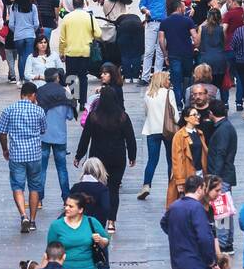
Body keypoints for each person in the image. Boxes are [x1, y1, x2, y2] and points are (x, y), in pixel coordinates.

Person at [74, 86, 137, 229]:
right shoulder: (123, 116)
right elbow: (130, 138)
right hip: (117, 157)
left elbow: (85, 138)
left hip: (98, 158)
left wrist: (79, 155)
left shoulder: (94, 116)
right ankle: (112, 222)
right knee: (113, 189)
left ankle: (97, 219)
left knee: (97, 188)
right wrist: (132, 155)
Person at [0, 81, 47, 234]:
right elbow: (43, 130)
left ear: (21, 94)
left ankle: (23, 216)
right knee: (34, 187)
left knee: (17, 186)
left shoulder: (9, 110)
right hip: (34, 154)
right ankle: (32, 220)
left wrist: (5, 150)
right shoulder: (39, 111)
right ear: (33, 95)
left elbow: (2, 133)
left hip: (16, 155)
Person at [47, 192, 110, 269]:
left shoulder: (91, 222)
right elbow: (50, 251)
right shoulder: (56, 226)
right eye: (66, 205)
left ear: (80, 210)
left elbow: (106, 241)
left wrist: (100, 239)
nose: (66, 208)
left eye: (71, 206)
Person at [36, 68, 74, 204]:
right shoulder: (65, 93)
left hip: (43, 136)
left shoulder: (40, 93)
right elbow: (70, 116)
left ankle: (39, 199)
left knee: (41, 169)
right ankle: (66, 198)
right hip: (60, 136)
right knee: (62, 169)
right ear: (57, 77)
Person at [59, 0, 102, 110]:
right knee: (83, 77)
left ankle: (74, 100)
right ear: (83, 4)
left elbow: (62, 38)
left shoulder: (67, 18)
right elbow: (98, 34)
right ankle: (83, 103)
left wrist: (61, 52)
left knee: (71, 76)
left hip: (71, 51)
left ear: (73, 5)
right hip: (85, 51)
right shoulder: (90, 17)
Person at [159, 0, 199, 112]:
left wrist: (165, 54)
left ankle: (178, 104)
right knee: (187, 78)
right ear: (179, 8)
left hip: (173, 54)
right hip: (187, 53)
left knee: (176, 81)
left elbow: (161, 40)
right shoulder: (187, 21)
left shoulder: (164, 22)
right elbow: (195, 37)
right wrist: (195, 47)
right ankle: (187, 102)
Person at [137, 70, 174, 200]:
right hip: (168, 130)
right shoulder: (169, 93)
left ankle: (146, 185)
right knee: (171, 160)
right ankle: (171, 186)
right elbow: (174, 113)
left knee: (152, 160)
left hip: (152, 129)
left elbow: (146, 112)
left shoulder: (148, 93)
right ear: (162, 80)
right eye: (167, 79)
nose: (169, 81)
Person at [206, 101, 238, 252]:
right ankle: (228, 242)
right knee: (225, 210)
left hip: (222, 175)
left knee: (221, 211)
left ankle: (224, 244)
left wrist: (215, 179)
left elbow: (220, 153)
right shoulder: (225, 127)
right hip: (225, 174)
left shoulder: (223, 130)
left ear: (211, 113)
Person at [167, 104, 208, 208]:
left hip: (200, 173)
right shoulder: (179, 136)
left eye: (197, 114)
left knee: (200, 204)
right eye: (194, 115)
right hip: (187, 175)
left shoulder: (199, 133)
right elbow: (177, 159)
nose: (197, 116)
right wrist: (180, 181)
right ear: (186, 118)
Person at [139, 0, 169, 81]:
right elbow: (141, 5)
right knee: (149, 51)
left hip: (164, 24)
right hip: (152, 23)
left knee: (161, 52)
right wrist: (145, 10)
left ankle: (157, 78)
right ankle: (145, 77)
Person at [197, 7, 229, 104]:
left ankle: (208, 104)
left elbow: (197, 43)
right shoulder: (221, 29)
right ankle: (221, 104)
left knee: (206, 84)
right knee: (219, 85)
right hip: (219, 59)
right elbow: (224, 42)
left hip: (206, 58)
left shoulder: (202, 29)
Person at [9, 0, 40, 80]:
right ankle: (28, 78)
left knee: (21, 56)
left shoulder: (14, 7)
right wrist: (32, 30)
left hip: (18, 35)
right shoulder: (33, 7)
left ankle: (21, 78)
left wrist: (16, 30)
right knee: (28, 57)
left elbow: (11, 24)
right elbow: (36, 23)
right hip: (30, 34)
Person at [115, 9, 145, 82]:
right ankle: (135, 77)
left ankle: (127, 77)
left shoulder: (120, 18)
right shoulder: (136, 17)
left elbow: (116, 28)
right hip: (138, 27)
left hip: (124, 28)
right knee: (137, 54)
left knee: (125, 54)